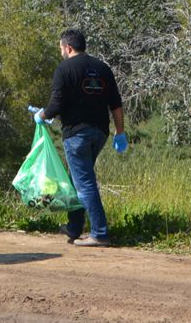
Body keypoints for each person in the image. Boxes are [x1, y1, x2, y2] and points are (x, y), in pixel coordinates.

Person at [34, 29, 126, 247]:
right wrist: (120, 131)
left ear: (68, 48)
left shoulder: (64, 69)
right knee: (76, 178)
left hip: (77, 134)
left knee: (84, 182)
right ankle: (74, 227)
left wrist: (42, 115)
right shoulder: (103, 68)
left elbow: (57, 103)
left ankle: (99, 233)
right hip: (100, 132)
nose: (61, 53)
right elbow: (115, 103)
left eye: (61, 49)